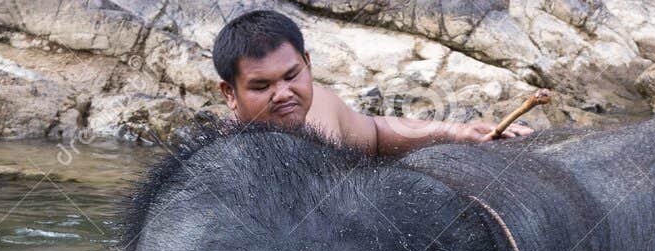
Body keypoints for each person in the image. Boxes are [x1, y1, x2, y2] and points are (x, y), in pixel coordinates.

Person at [213, 9, 531, 155]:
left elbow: (375, 134)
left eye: (291, 75)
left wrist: (456, 132)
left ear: (307, 64)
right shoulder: (228, 159)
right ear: (230, 93)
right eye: (261, 86)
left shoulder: (322, 105)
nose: (283, 94)